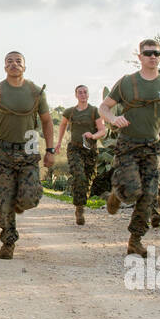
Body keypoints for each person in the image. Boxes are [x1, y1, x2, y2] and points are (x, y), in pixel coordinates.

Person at [98, 39, 160, 257]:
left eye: (157, 53)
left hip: (153, 147)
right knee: (132, 190)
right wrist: (113, 119)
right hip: (128, 146)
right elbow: (103, 108)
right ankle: (117, 194)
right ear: (140, 57)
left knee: (149, 194)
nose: (153, 57)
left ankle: (135, 240)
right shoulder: (126, 82)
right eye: (148, 53)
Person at [0, 51, 55, 259]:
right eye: (10, 61)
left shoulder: (36, 92)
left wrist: (50, 150)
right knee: (4, 199)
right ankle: (8, 241)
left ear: (25, 67)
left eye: (18, 61)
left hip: (29, 149)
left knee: (30, 198)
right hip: (3, 151)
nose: (14, 64)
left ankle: (19, 201)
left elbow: (46, 122)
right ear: (4, 66)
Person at [55, 84, 107, 225]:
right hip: (74, 149)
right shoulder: (70, 112)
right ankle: (79, 208)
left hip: (90, 150)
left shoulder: (94, 111)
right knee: (79, 175)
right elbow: (62, 126)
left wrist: (93, 135)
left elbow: (103, 130)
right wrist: (58, 142)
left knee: (88, 180)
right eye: (80, 92)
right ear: (76, 95)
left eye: (85, 92)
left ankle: (81, 205)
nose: (83, 94)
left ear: (88, 95)